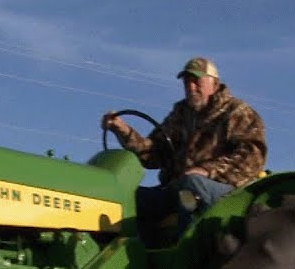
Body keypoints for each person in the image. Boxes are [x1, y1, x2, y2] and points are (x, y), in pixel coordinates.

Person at [101, 57, 266, 238]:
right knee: (129, 197)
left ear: (214, 83)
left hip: (227, 191)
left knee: (192, 184)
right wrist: (123, 131)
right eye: (186, 82)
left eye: (196, 81)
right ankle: (128, 251)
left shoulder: (237, 112)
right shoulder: (180, 115)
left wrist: (207, 170)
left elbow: (253, 156)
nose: (191, 87)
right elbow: (153, 155)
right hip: (177, 189)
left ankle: (186, 251)